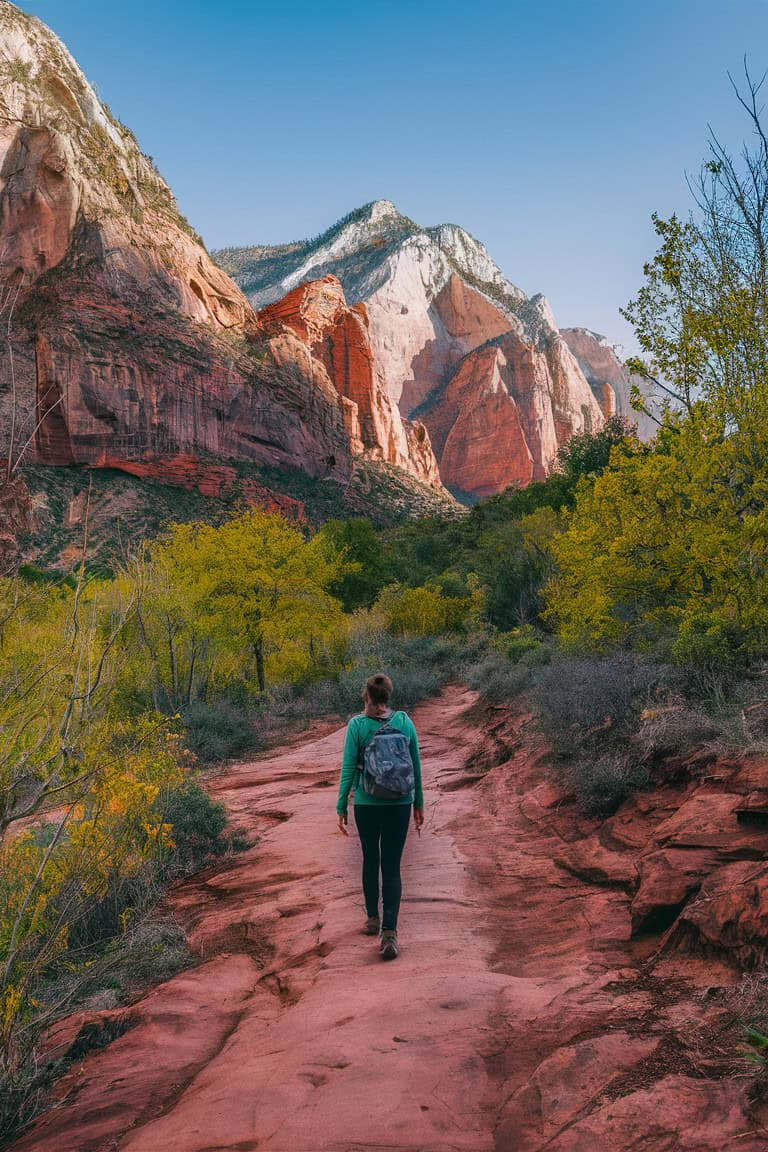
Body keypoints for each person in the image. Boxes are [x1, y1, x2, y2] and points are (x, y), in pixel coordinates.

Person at [336, 673, 424, 960]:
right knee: (392, 865)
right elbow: (416, 766)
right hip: (400, 803)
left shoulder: (357, 726)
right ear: (388, 696)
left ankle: (373, 917)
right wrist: (419, 803)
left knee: (371, 859)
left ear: (366, 696)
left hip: (367, 803)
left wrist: (341, 806)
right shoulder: (404, 722)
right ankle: (389, 932)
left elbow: (348, 768)